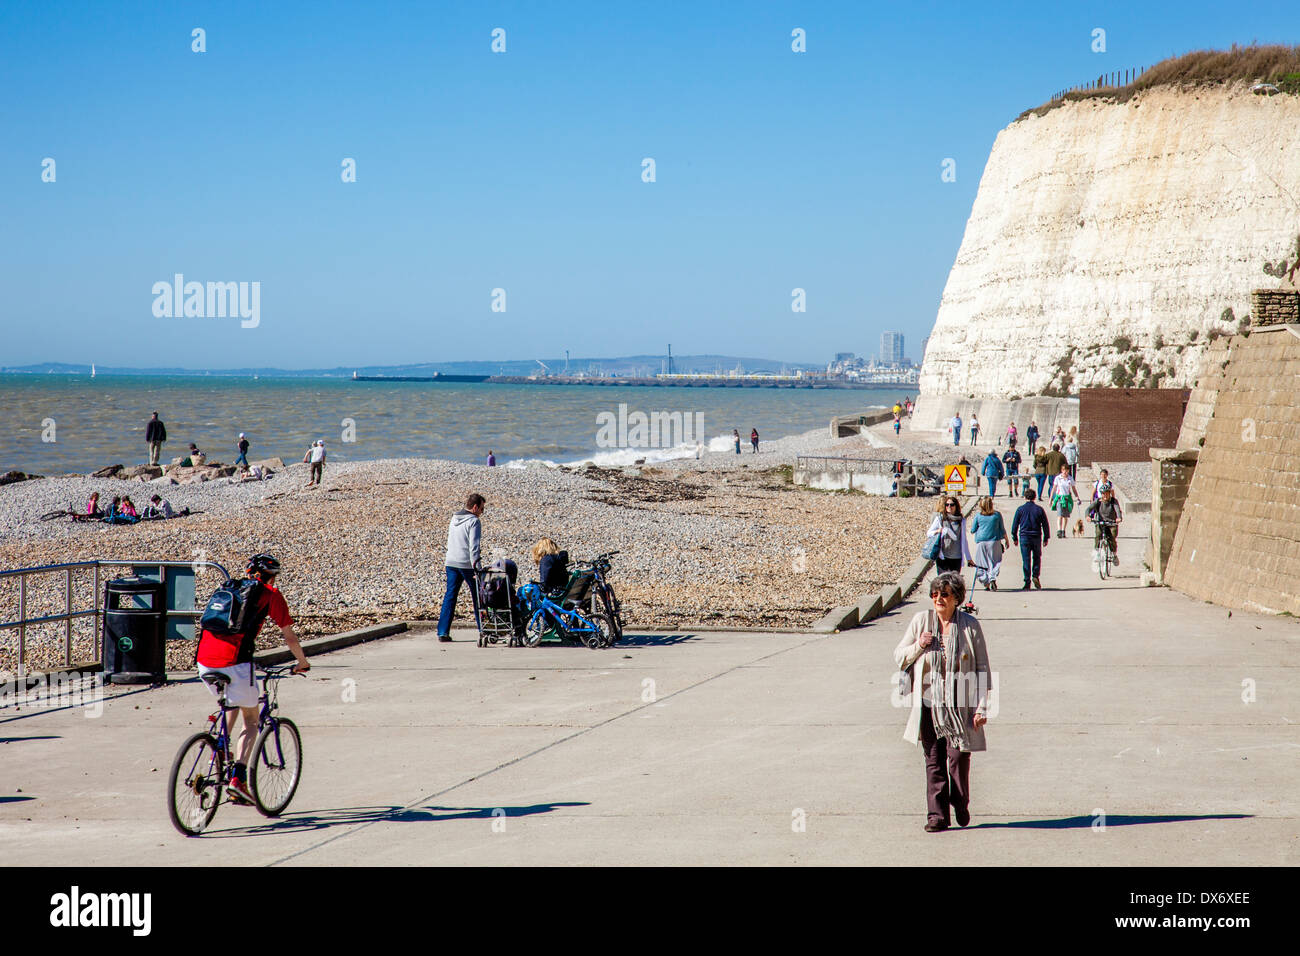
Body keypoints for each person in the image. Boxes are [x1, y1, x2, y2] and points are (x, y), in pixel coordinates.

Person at [195, 553, 309, 805]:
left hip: (203, 661)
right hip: (236, 662)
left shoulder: (227, 588)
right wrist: (302, 663)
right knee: (252, 719)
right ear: (272, 576)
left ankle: (222, 742)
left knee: (231, 702)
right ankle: (238, 779)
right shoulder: (271, 595)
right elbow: (289, 636)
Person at [893, 572, 991, 832]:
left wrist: (982, 707)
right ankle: (936, 816)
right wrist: (919, 646)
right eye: (934, 594)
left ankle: (959, 801)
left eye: (944, 594)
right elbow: (898, 656)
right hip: (927, 704)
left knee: (958, 758)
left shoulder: (970, 626)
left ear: (956, 598)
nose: (938, 598)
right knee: (933, 759)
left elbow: (982, 668)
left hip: (960, 706)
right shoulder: (921, 622)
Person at [437, 493, 485, 642]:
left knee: (450, 596)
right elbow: (474, 547)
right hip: (467, 564)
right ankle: (483, 629)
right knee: (478, 597)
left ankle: (443, 631)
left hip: (451, 562)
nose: (482, 512)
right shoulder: (474, 522)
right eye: (482, 509)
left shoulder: (454, 518)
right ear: (475, 507)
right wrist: (478, 568)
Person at [1011, 488, 1051, 590]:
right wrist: (1046, 537)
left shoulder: (1020, 509)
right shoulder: (1039, 509)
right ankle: (1035, 575)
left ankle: (1027, 581)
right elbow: (1045, 524)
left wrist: (1014, 537)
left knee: (1026, 560)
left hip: (1024, 537)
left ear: (1025, 497)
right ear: (1034, 497)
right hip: (1036, 537)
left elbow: (1015, 525)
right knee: (1037, 557)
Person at [926, 496, 972, 577]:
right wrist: (938, 531)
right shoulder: (940, 518)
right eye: (947, 505)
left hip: (957, 557)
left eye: (952, 505)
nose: (949, 507)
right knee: (943, 582)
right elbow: (929, 533)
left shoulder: (961, 520)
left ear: (956, 506)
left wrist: (968, 558)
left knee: (953, 583)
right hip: (943, 556)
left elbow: (964, 540)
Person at [969, 497, 1009, 591]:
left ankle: (986, 582)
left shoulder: (978, 516)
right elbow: (1002, 529)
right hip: (994, 542)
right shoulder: (997, 515)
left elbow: (973, 530)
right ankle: (992, 578)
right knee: (995, 561)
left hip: (981, 542)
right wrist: (1006, 540)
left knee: (981, 563)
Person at [1086, 482, 1124, 563]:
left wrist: (1119, 518)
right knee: (1098, 535)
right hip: (1101, 522)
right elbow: (1088, 509)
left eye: (1107, 494)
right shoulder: (1098, 501)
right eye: (1103, 494)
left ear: (1109, 493)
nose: (1105, 496)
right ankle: (1097, 552)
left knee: (1112, 537)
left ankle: (1114, 554)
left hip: (1111, 523)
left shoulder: (1114, 501)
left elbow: (1118, 511)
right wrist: (1088, 516)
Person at [1049, 465, 1081, 538]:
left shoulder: (1070, 478)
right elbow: (1054, 489)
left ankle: (1063, 530)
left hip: (1067, 498)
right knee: (1059, 514)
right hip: (1060, 498)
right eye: (1064, 470)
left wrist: (1077, 497)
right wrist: (1051, 499)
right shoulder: (1058, 478)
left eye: (1067, 470)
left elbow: (1073, 489)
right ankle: (1059, 530)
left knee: (1065, 516)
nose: (1065, 472)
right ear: (1061, 470)